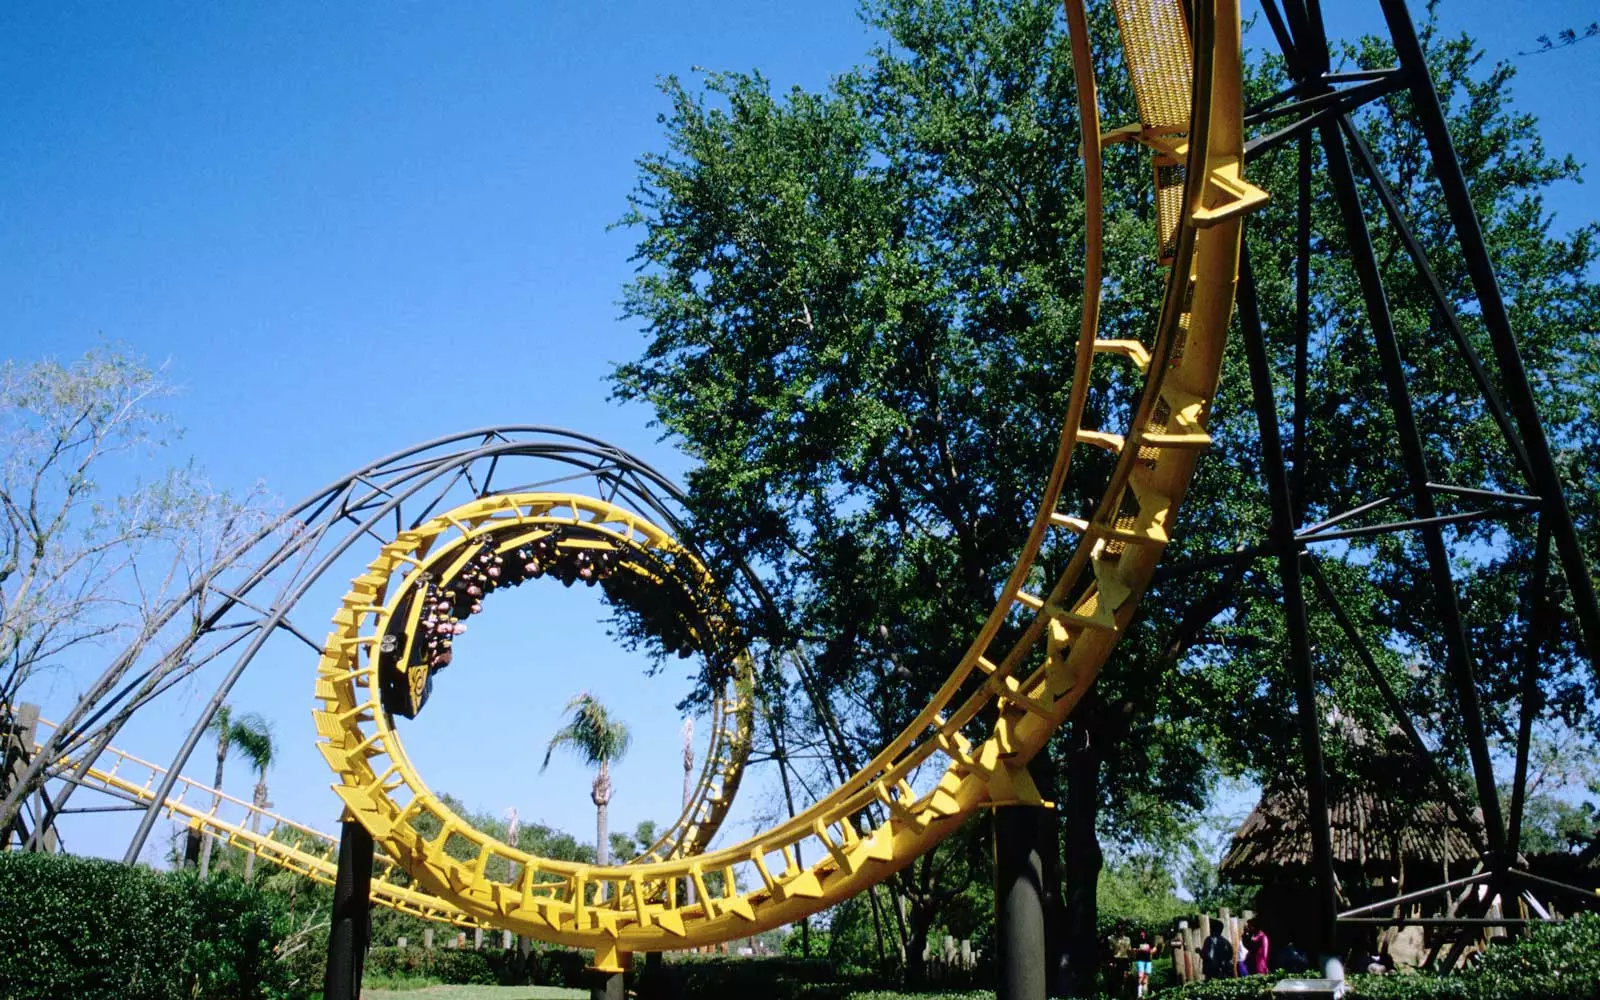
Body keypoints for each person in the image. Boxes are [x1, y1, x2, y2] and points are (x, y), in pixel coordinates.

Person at [1134, 929, 1154, 997]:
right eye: (1141, 933)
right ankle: (1139, 994)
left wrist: (1151, 951)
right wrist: (1138, 950)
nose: (1142, 934)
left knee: (1146, 977)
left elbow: (1154, 948)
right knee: (1140, 976)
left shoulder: (1149, 940)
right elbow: (1133, 949)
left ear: (1145, 933)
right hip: (1140, 960)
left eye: (1143, 933)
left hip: (1148, 961)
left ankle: (1145, 994)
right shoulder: (1137, 941)